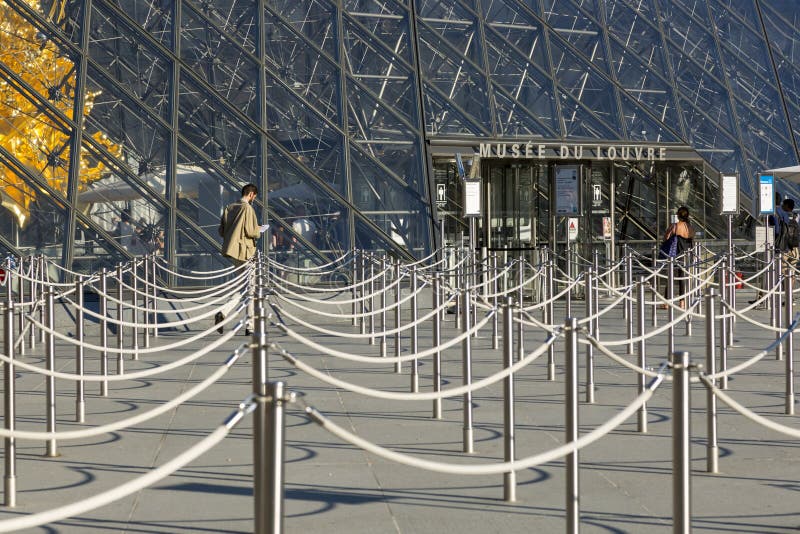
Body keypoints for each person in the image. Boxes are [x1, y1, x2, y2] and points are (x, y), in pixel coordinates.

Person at [215, 183, 268, 335]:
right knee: (251, 289)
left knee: (242, 287)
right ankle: (250, 326)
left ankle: (223, 312)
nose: (253, 200)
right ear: (251, 194)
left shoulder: (229, 207)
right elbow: (251, 231)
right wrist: (260, 229)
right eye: (254, 197)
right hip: (246, 252)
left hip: (233, 252)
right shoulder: (247, 208)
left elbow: (221, 230)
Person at [661, 206, 695, 309]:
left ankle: (667, 302)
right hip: (685, 255)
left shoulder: (674, 226)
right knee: (682, 278)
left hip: (674, 255)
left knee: (670, 277)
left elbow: (666, 238)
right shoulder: (690, 228)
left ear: (678, 215)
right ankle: (682, 302)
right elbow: (692, 240)